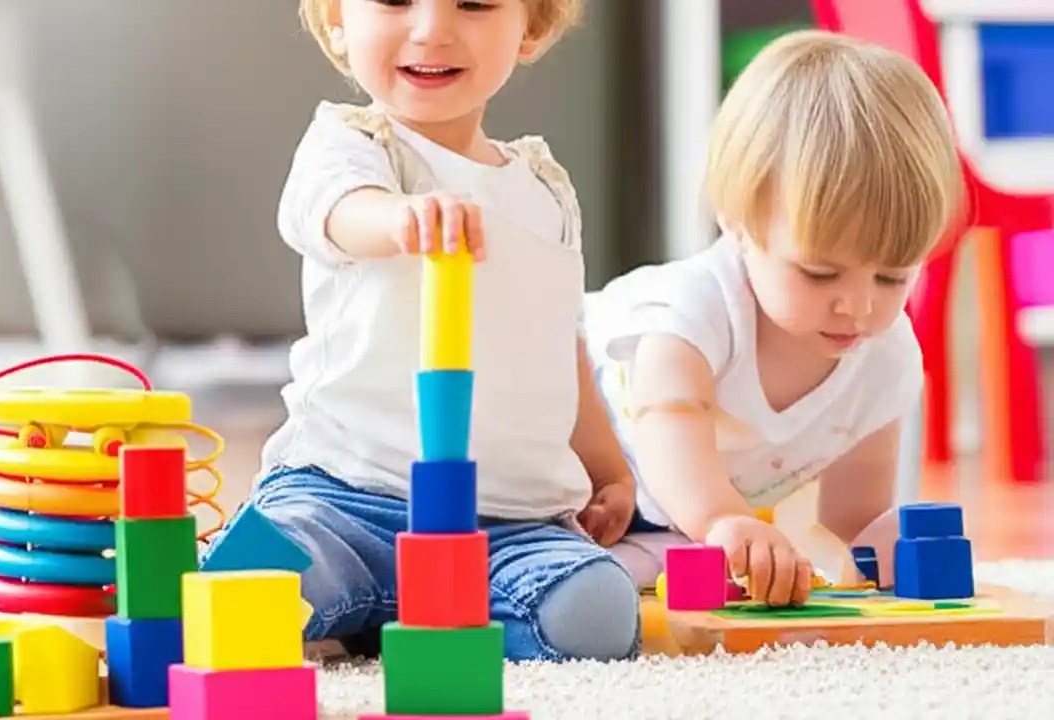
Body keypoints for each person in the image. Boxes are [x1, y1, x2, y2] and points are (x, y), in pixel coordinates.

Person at [201, 0, 641, 662]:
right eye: (396, 1)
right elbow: (339, 212)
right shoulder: (351, 146)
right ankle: (366, 603)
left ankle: (414, 620)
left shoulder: (547, 191)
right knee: (240, 588)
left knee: (598, 616)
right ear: (338, 20)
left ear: (533, 26)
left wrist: (607, 464)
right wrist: (400, 218)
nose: (433, 28)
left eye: (474, 4)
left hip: (510, 524)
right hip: (344, 496)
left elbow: (560, 340)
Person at [583, 30, 964, 606]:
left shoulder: (884, 358)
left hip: (661, 524)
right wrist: (722, 519)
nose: (858, 306)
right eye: (819, 273)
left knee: (659, 577)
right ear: (738, 224)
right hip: (564, 453)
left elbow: (851, 517)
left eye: (892, 276)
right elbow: (667, 421)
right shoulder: (693, 310)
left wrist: (877, 546)